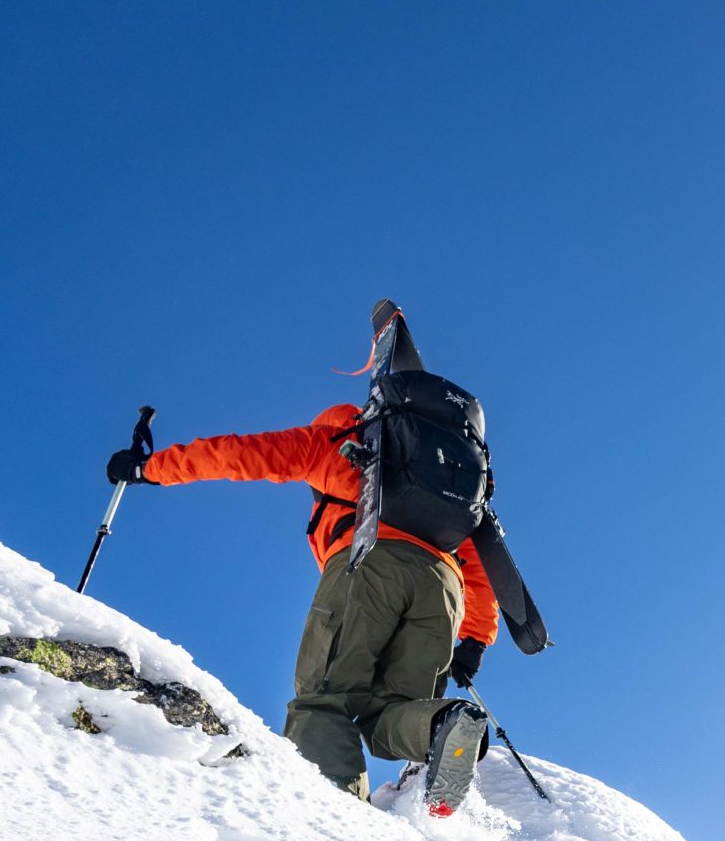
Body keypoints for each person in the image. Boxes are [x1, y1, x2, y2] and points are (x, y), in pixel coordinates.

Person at [104, 316, 498, 812]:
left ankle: (334, 821)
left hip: (369, 564)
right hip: (443, 589)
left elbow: (238, 454)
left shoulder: (336, 443)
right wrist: (474, 642)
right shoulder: (440, 484)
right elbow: (480, 557)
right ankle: (444, 724)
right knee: (391, 714)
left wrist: (148, 470)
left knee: (323, 702)